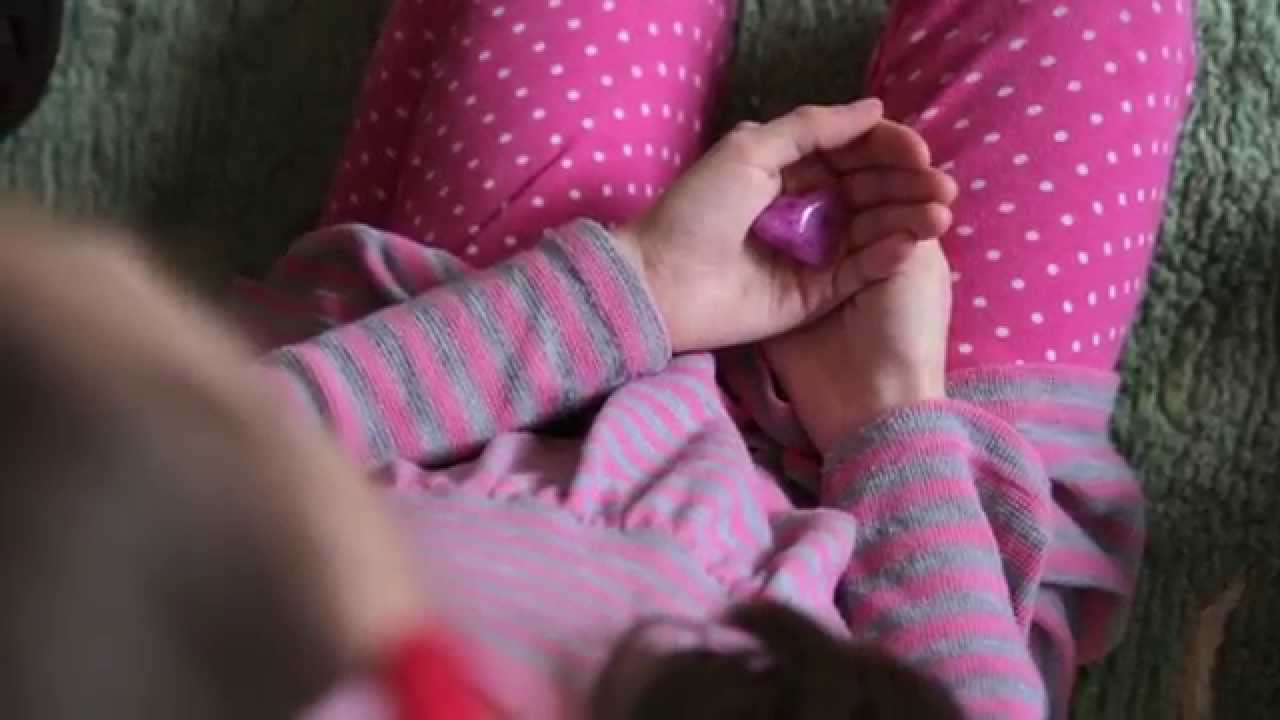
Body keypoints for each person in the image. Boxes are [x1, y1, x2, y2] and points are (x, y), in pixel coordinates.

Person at [0, 2, 1197, 719]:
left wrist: (626, 291)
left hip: (474, 379)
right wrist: (889, 425)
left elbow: (211, 473)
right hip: (911, 521)